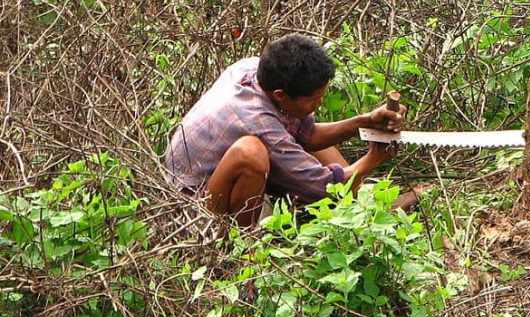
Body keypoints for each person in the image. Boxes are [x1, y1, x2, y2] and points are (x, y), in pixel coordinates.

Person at [165, 34, 418, 226]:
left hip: (217, 173)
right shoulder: (257, 121)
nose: (318, 104)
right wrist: (373, 158)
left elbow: (308, 135)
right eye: (313, 99)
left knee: (297, 131)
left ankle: (363, 205)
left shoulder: (256, 69)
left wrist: (363, 121)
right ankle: (244, 255)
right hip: (193, 207)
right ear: (280, 95)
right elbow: (322, 188)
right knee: (250, 153)